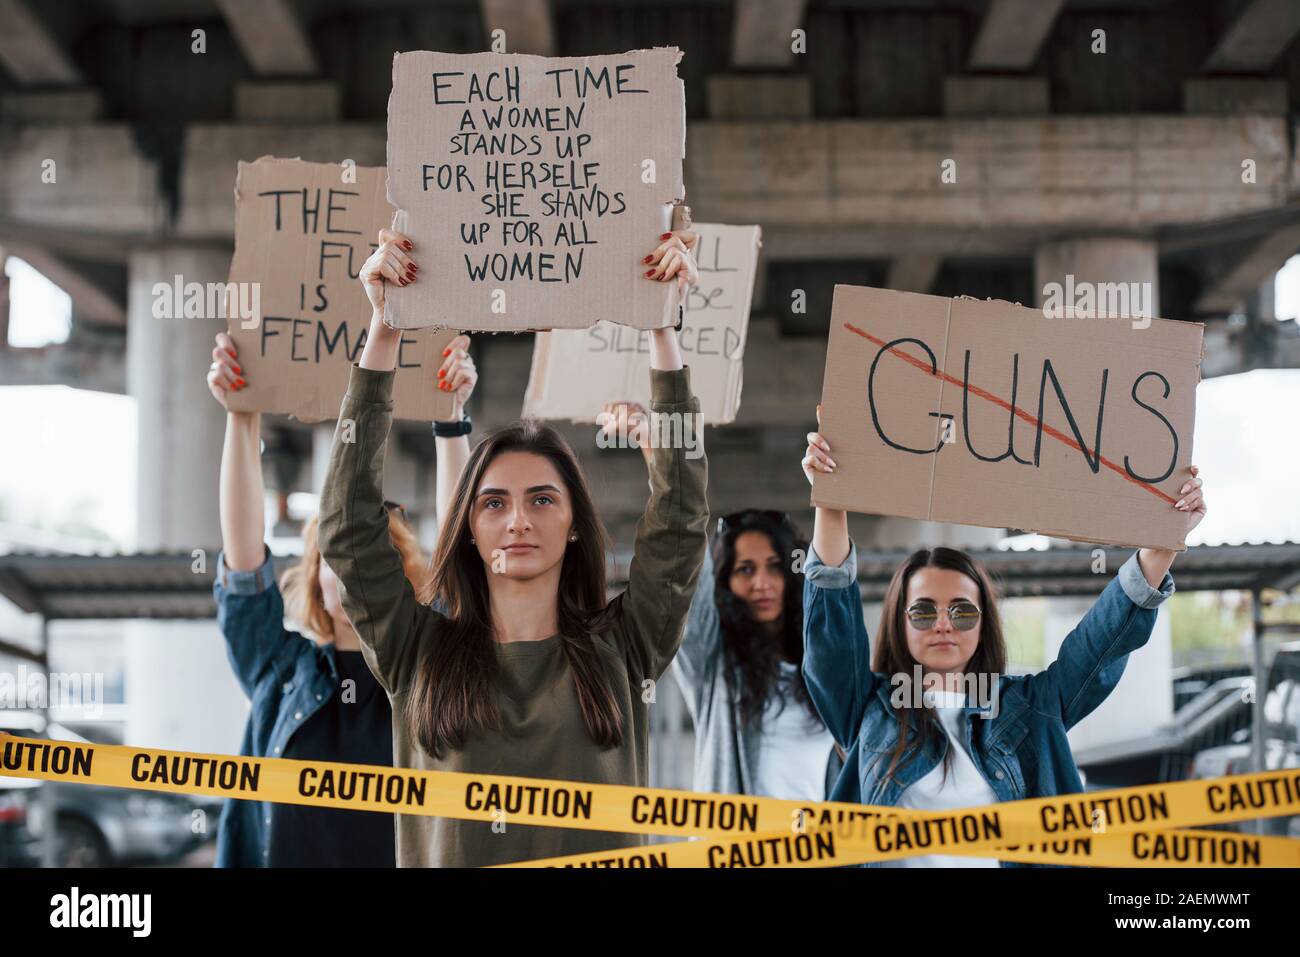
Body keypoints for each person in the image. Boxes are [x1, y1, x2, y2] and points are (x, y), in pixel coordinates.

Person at [317, 226, 709, 867]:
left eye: (543, 500)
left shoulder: (626, 646)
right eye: (494, 503)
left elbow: (682, 519)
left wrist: (664, 328)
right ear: (469, 526)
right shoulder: (416, 652)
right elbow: (345, 524)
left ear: (576, 522)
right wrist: (385, 328)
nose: (518, 520)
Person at [799, 407, 1206, 867]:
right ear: (898, 622)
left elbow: (1101, 642)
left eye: (962, 610)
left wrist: (1163, 540)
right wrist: (830, 495)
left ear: (984, 623)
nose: (944, 623)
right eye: (923, 610)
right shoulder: (866, 708)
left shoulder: (1032, 707)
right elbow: (830, 623)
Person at [207, 327, 476, 867]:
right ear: (314, 580)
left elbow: (458, 559)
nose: (357, 574)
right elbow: (243, 561)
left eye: (378, 561)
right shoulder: (277, 671)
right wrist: (242, 416)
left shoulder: (425, 672)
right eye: (338, 559)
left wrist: (451, 423)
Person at [602, 404, 841, 800]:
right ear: (726, 582)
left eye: (773, 567)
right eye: (745, 569)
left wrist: (835, 475)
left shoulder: (817, 669)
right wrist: (654, 446)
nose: (761, 583)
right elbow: (685, 562)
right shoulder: (713, 663)